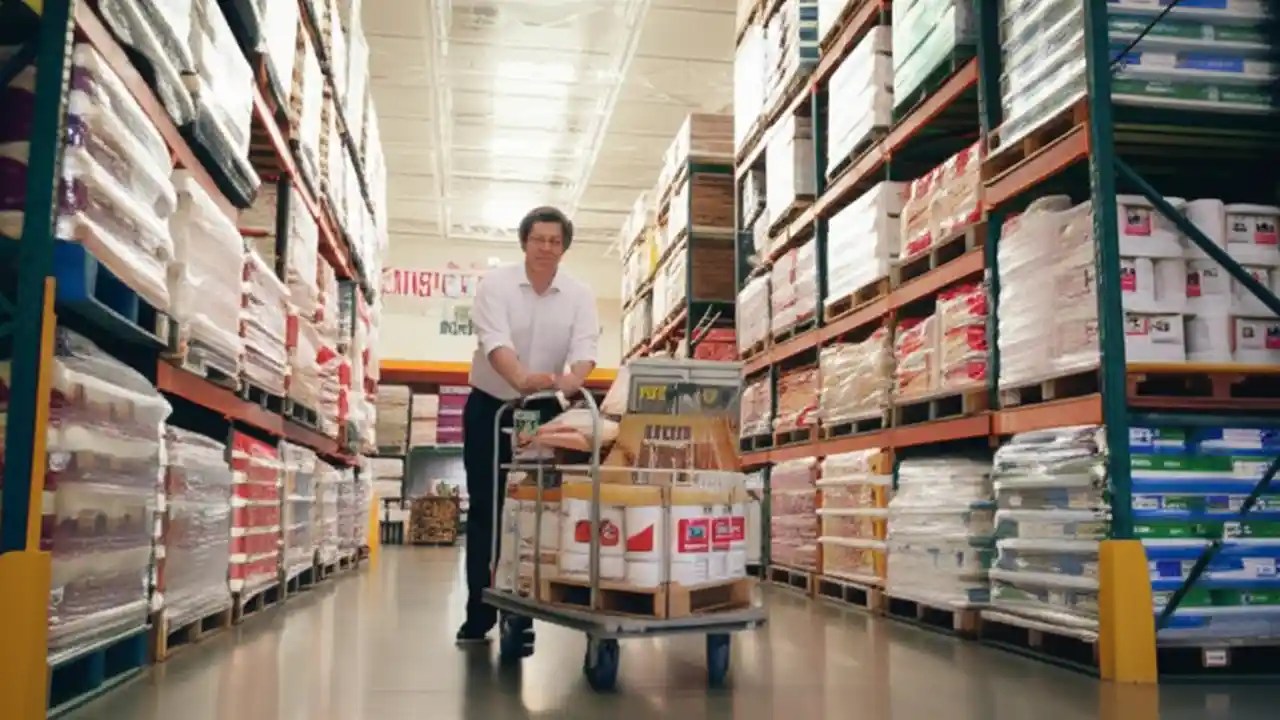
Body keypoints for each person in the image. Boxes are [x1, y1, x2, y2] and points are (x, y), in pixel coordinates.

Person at [456, 205, 600, 644]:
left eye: (555, 241)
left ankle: (522, 611)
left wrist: (572, 379)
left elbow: (585, 349)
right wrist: (526, 378)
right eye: (538, 239)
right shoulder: (496, 285)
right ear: (524, 242)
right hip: (490, 405)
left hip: (542, 413)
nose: (546, 248)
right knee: (488, 508)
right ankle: (479, 610)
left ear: (564, 248)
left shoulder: (579, 294)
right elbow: (495, 342)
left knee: (534, 508)